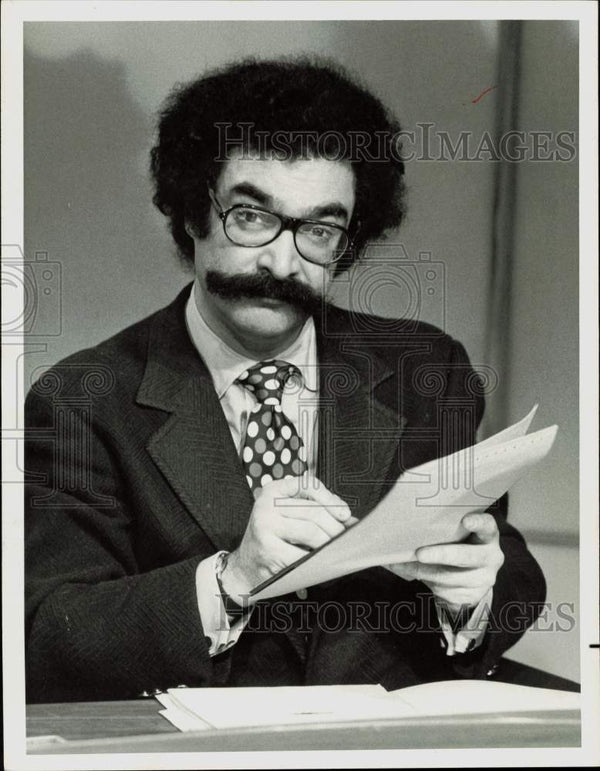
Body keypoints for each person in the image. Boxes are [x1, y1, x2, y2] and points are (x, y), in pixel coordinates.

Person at [25, 57, 545, 703]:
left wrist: (474, 595)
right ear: (193, 211)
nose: (280, 260)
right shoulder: (84, 396)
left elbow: (508, 562)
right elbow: (46, 633)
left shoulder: (426, 367)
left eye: (320, 230)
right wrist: (233, 577)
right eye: (250, 216)